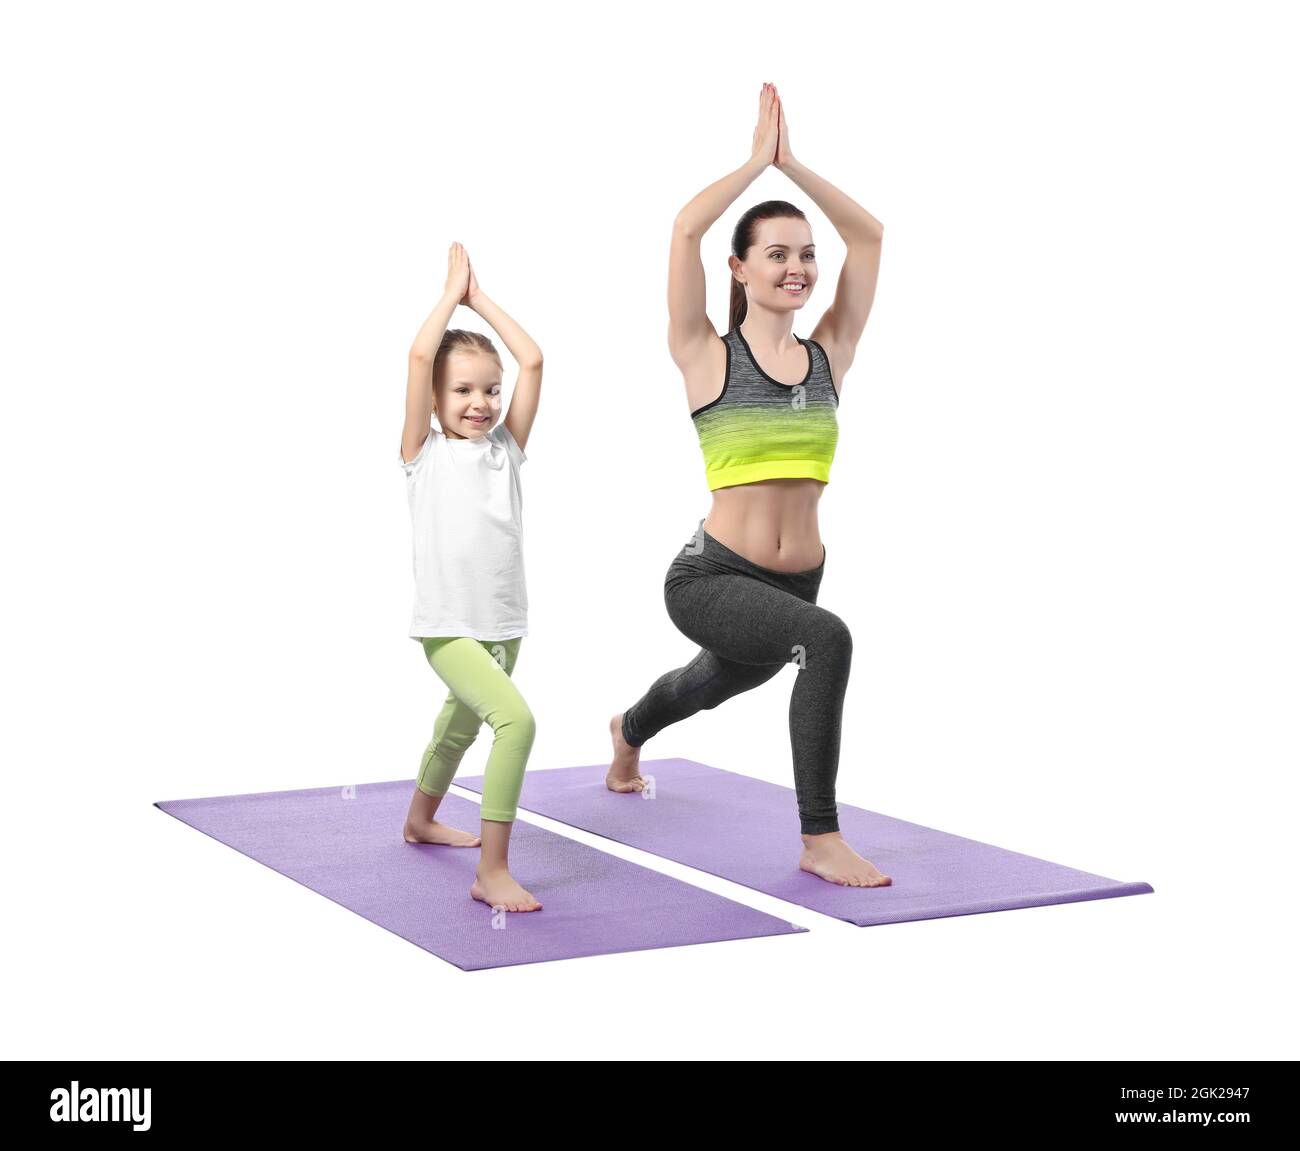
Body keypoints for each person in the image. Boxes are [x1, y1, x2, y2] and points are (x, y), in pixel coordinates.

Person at [609, 83, 891, 888]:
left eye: (806, 255)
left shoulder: (830, 352)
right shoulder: (705, 352)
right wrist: (753, 164)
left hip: (795, 576)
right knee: (827, 641)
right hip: (712, 576)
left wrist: (795, 166)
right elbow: (685, 227)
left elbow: (869, 237)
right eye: (777, 253)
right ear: (739, 267)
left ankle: (628, 730)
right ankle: (820, 837)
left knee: (709, 682)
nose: (798, 267)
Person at [399, 242, 544, 912]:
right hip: (449, 628)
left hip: (504, 624)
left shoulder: (506, 451)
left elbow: (534, 359)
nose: (481, 402)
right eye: (462, 390)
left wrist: (481, 299)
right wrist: (450, 296)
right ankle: (493, 868)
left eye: (489, 389)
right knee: (515, 721)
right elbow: (419, 356)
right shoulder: (422, 454)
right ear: (434, 398)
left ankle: (419, 819)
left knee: (459, 729)